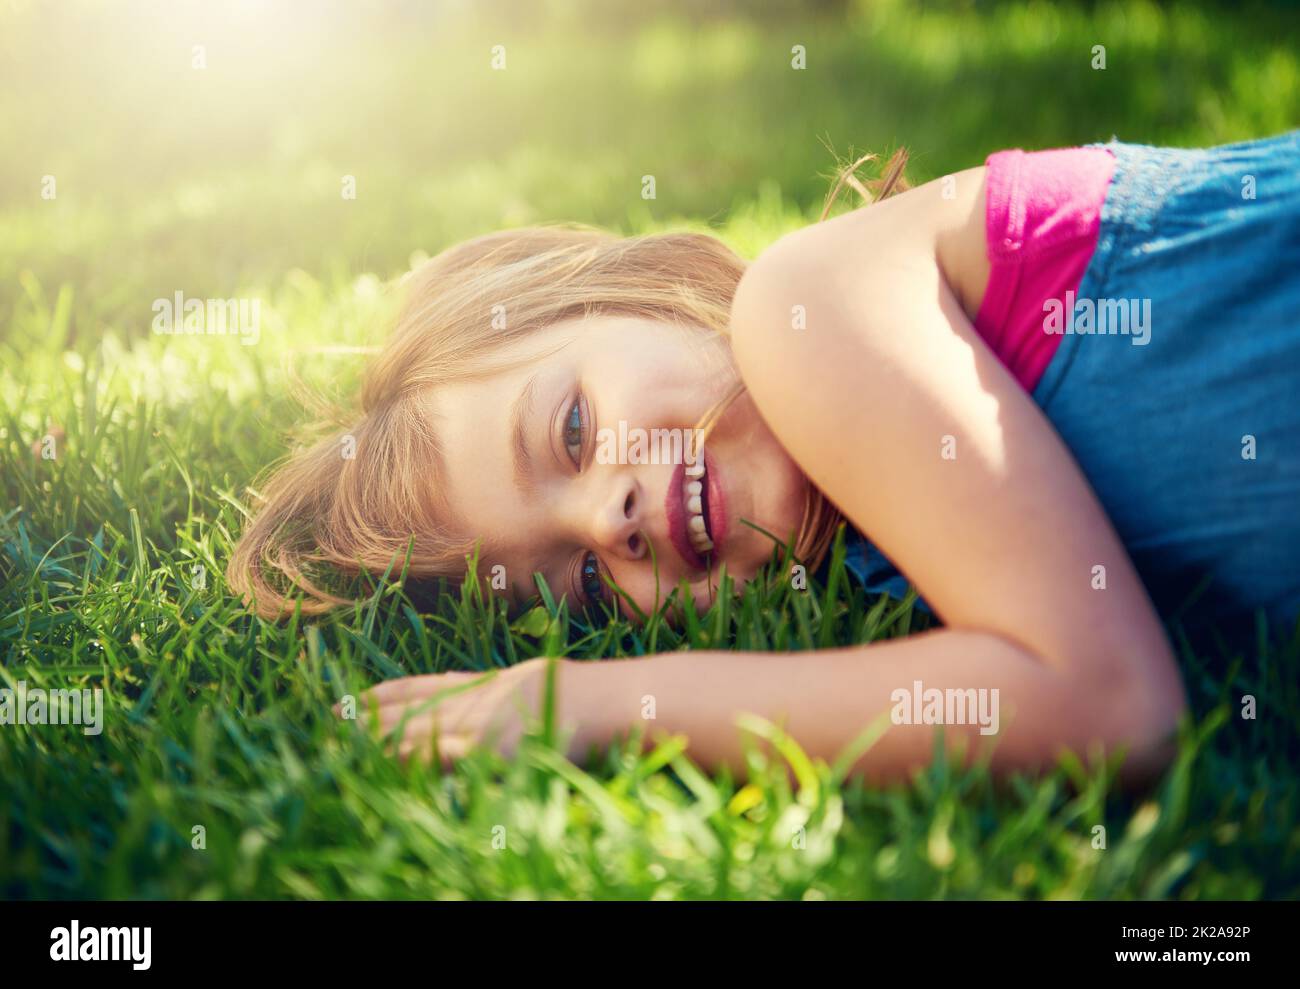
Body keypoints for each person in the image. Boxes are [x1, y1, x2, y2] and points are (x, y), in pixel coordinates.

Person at [228, 132, 1300, 784]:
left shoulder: (804, 306)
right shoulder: (898, 573)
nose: (612, 522)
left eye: (569, 433)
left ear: (637, 294)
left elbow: (1106, 704)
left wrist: (597, 704)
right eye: (589, 587)